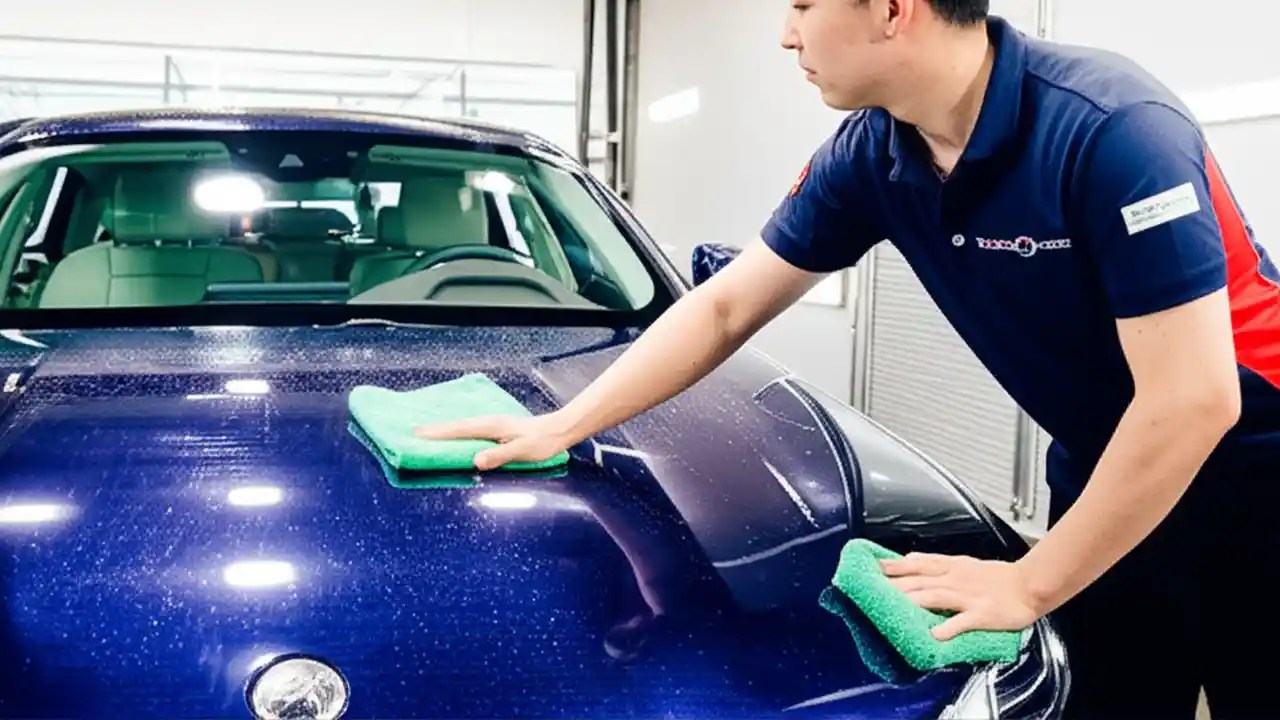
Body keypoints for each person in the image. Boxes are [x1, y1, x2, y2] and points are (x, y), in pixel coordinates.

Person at [415, 1, 1280, 717]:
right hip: (1106, 467)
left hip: (1258, 477)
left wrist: (1029, 582)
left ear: (895, 11)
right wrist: (560, 424)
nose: (786, 35)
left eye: (801, 6)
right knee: (1110, 699)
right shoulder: (875, 153)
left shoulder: (1111, 128)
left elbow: (1195, 401)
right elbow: (721, 306)